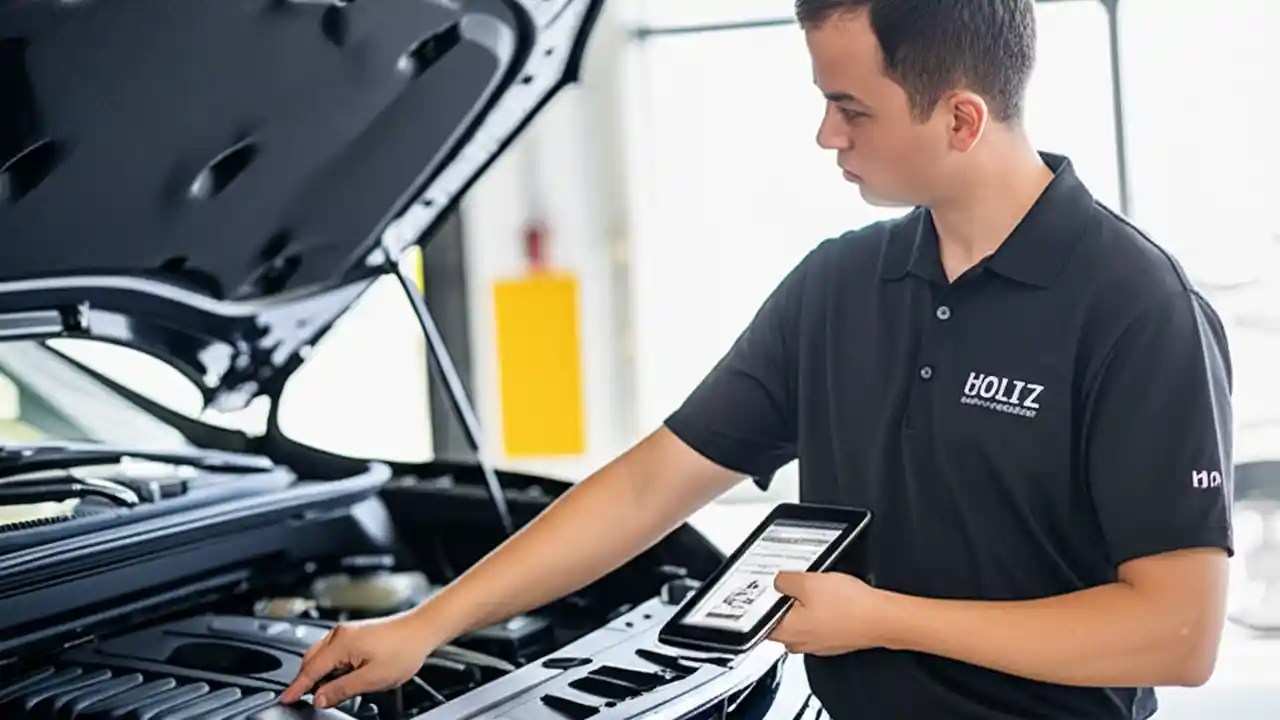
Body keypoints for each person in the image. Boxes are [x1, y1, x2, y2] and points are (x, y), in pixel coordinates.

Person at [281, 0, 1235, 717]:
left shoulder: (1136, 307)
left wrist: (881, 617)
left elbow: (1177, 633)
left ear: (961, 119)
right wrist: (428, 623)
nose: (827, 135)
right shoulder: (837, 287)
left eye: (850, 109)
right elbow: (649, 484)